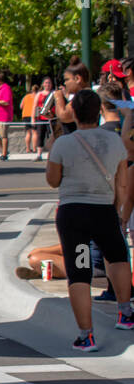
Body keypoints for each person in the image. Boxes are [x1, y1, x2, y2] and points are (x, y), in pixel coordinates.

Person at [44, 89, 133, 350]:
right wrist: (119, 211)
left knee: (79, 271)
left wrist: (52, 151)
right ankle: (125, 313)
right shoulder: (114, 142)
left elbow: (52, 181)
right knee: (117, 257)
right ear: (98, 111)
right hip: (104, 211)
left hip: (74, 215)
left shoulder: (64, 143)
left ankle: (86, 334)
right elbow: (122, 183)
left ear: (74, 112)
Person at [47, 59, 91, 137]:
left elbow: (64, 116)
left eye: (67, 79)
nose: (65, 83)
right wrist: (52, 115)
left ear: (77, 79)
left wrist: (58, 97)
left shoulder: (85, 96)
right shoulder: (80, 96)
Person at [32, 76, 56, 159]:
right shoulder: (39, 94)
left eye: (49, 83)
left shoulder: (54, 93)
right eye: (46, 83)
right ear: (43, 84)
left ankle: (51, 154)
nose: (47, 84)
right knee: (40, 135)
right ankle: (39, 154)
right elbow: (35, 106)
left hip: (51, 118)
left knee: (52, 137)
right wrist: (33, 118)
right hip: (41, 118)